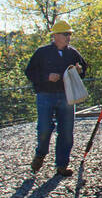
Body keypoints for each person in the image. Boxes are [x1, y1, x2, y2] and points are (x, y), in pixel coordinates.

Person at [24, 19, 88, 177]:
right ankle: (40, 154)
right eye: (66, 34)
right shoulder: (42, 52)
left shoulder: (72, 53)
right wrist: (46, 77)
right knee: (44, 128)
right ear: (56, 36)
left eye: (70, 34)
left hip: (67, 96)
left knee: (66, 132)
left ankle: (62, 165)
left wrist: (79, 71)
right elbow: (29, 72)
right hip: (45, 95)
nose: (69, 37)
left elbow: (84, 68)